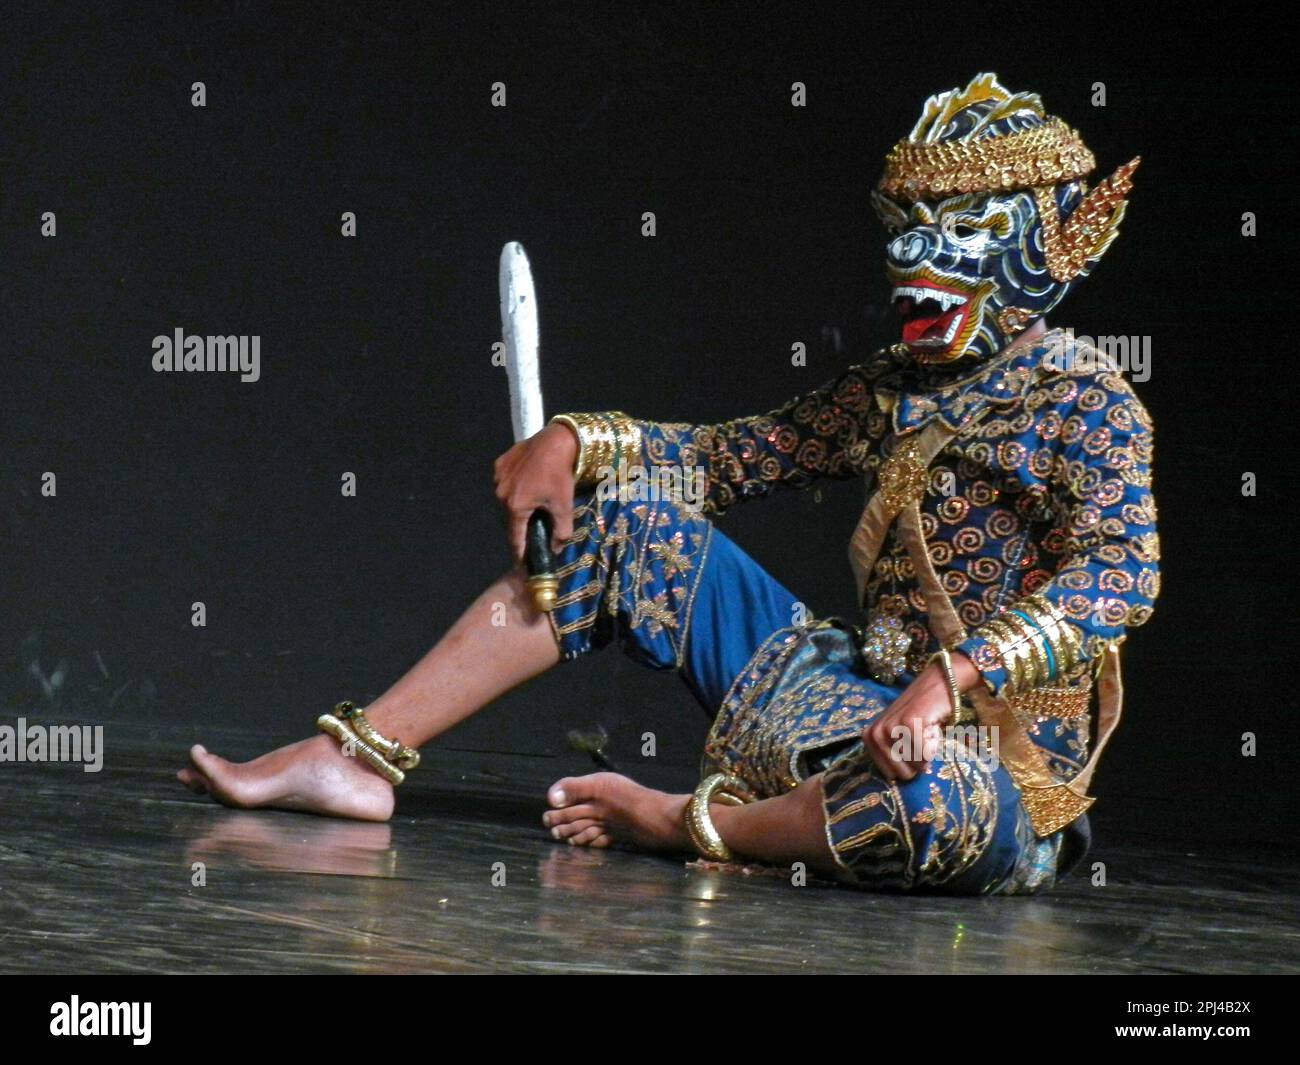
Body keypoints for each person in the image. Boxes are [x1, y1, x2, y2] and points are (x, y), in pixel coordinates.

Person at [179, 73, 1158, 894]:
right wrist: (576, 442)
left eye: (960, 229)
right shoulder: (890, 391)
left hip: (994, 771)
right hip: (850, 700)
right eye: (905, 229)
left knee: (937, 812)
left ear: (1051, 238)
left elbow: (1120, 576)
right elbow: (732, 457)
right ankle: (356, 758)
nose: (912, 258)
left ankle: (684, 826)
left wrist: (947, 687)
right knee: (629, 530)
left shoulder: (1088, 402)